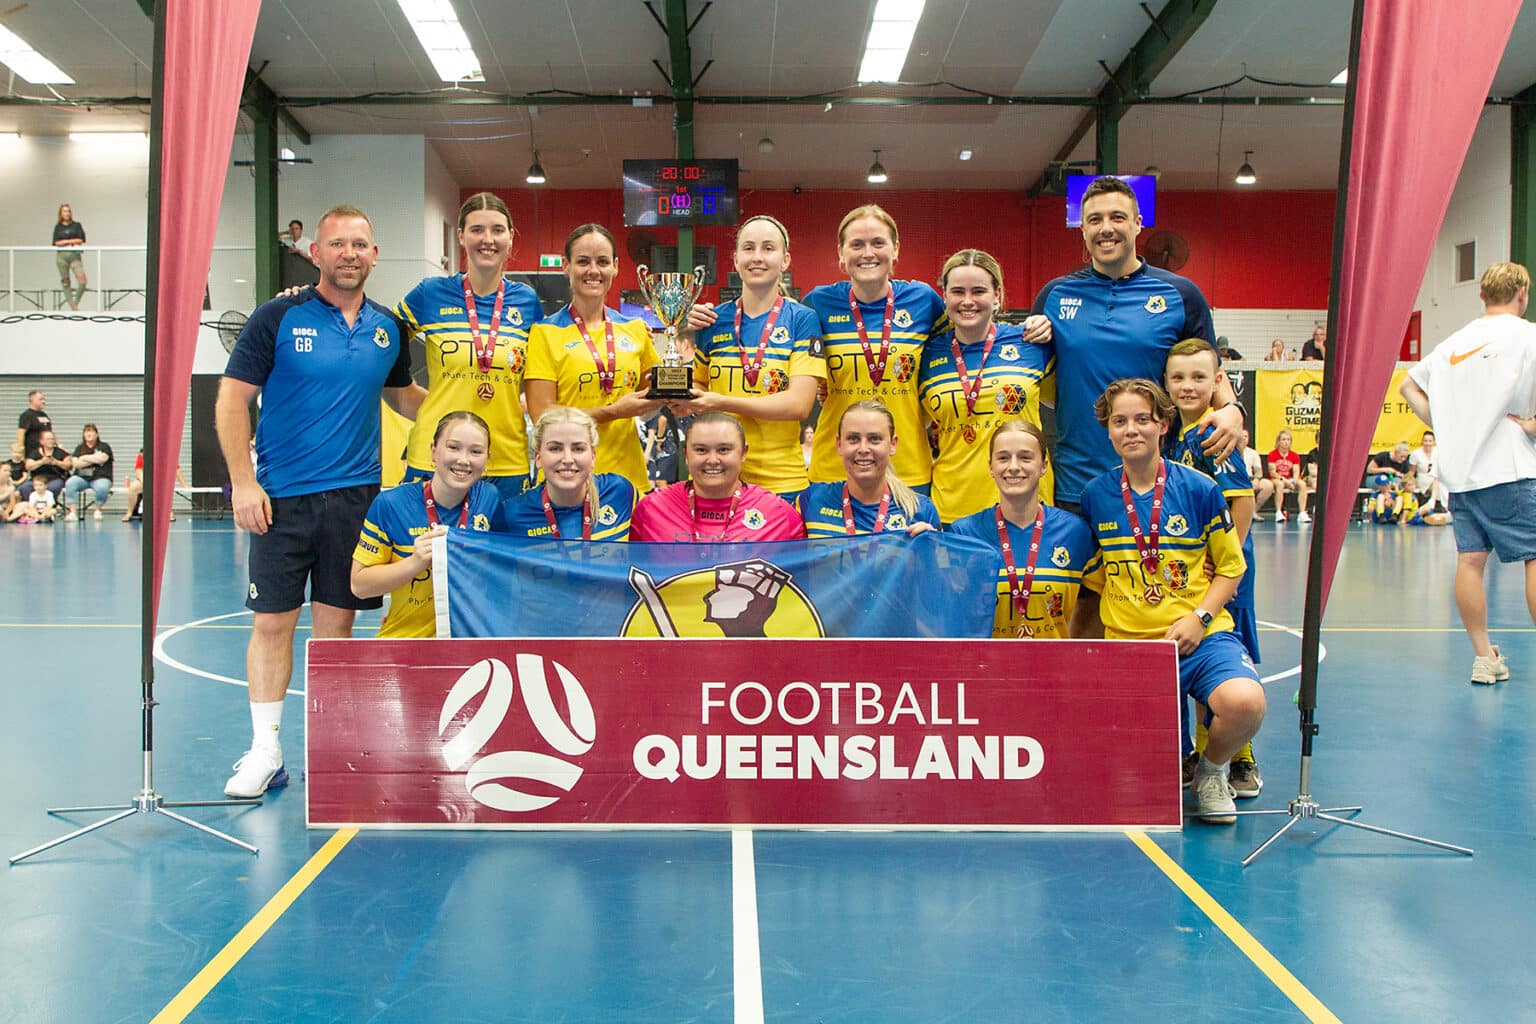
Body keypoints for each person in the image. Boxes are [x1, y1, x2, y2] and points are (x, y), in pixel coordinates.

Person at [215, 203, 425, 799]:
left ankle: (328, 748)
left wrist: (483, 411)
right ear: (317, 253)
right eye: (337, 244)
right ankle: (265, 750)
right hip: (280, 499)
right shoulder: (276, 317)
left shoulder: (388, 327)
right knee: (274, 623)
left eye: (360, 243)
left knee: (336, 627)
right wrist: (243, 481)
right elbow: (232, 403)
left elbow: (405, 398)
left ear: (375, 253)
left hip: (356, 499)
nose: (349, 253)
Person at [1076, 379, 1265, 824]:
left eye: (1142, 419)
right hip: (1131, 645)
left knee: (1245, 703)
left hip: (1198, 637)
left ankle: (1212, 772)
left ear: (1163, 424)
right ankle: (1173, 758)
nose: (1132, 430)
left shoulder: (1200, 489)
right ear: (1108, 431)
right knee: (1129, 775)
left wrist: (1200, 617)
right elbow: (1091, 579)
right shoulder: (1095, 497)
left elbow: (1231, 568)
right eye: (1120, 421)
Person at [1030, 176, 1242, 512]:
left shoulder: (1182, 295)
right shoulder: (1054, 297)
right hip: (1075, 486)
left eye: (1117, 217)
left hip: (1156, 485)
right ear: (1082, 229)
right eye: (1095, 220)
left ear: (1138, 224)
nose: (1106, 228)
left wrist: (1233, 410)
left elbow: (1209, 371)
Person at [1400, 261, 1536, 685]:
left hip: (1462, 474)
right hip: (1510, 468)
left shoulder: (1455, 343)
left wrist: (1443, 424)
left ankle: (1483, 658)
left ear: (1481, 296)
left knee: (1470, 561)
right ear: (1523, 294)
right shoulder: (1527, 335)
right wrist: (1530, 426)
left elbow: (1409, 385)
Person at [394, 193, 545, 502]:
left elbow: (541, 377)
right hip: (436, 459)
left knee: (501, 551)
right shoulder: (431, 293)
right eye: (476, 229)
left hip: (506, 459)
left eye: (497, 230)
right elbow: (379, 342)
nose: (487, 239)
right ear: (461, 235)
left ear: (511, 237)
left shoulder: (527, 302)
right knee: (430, 551)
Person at [1165, 339, 1263, 797]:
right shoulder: (1176, 434)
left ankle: (1234, 758)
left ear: (1218, 382)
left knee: (1226, 649)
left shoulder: (1212, 432)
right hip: (1199, 567)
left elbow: (1240, 502)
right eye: (1178, 377)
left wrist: (1228, 558)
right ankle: (1198, 755)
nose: (1188, 386)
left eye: (1199, 377)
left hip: (1226, 569)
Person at [681, 215, 825, 501]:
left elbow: (798, 404)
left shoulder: (803, 320)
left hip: (781, 481)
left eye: (768, 248)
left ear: (785, 260)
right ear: (735, 260)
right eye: (748, 248)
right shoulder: (713, 319)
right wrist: (678, 400)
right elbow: (698, 389)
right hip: (714, 476)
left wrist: (721, 402)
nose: (757, 257)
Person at [919, 249, 1055, 523]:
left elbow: (1063, 406)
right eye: (957, 291)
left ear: (997, 296)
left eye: (978, 291)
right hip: (953, 508)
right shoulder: (927, 355)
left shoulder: (1032, 343)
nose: (967, 301)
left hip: (1026, 505)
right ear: (944, 296)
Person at [525, 224, 662, 491]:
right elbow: (542, 414)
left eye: (602, 262)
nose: (593, 271)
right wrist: (613, 412)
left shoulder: (635, 330)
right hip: (565, 481)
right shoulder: (545, 333)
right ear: (566, 266)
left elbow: (655, 394)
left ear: (616, 267)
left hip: (627, 480)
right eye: (583, 261)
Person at [351, 411, 498, 638]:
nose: (463, 459)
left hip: (470, 645)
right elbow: (359, 586)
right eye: (453, 447)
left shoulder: (489, 499)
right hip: (406, 642)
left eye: (476, 451)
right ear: (433, 451)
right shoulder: (392, 504)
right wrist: (414, 563)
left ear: (487, 458)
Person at [947, 420, 1097, 639]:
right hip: (985, 669)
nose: (1014, 466)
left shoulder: (1075, 532)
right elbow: (943, 609)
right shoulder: (963, 534)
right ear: (990, 467)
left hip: (1053, 668)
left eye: (1026, 457)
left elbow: (1100, 598)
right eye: (1003, 458)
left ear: (1044, 465)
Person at [631, 412, 805, 542]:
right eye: (701, 450)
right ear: (686, 454)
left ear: (743, 453)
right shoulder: (650, 510)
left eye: (724, 450)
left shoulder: (778, 514)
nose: (712, 460)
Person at [798, 399, 940, 537]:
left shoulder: (921, 511)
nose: (863, 449)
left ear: (893, 444)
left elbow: (939, 560)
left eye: (874, 439)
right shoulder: (812, 499)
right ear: (839, 444)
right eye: (853, 439)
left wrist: (932, 545)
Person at [494, 406, 636, 540]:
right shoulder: (512, 515)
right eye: (555, 448)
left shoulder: (620, 492)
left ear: (593, 457)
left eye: (578, 448)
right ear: (538, 458)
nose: (567, 459)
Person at [121, 449, 189, 522]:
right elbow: (139, 470)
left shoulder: (168, 454)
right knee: (133, 487)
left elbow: (176, 469)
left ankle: (168, 512)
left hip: (161, 480)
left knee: (164, 487)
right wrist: (146, 482)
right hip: (145, 479)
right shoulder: (142, 454)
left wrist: (184, 484)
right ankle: (129, 512)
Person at [63, 423, 114, 520]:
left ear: (97, 434)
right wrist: (94, 458)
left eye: (91, 431)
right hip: (82, 477)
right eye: (86, 432)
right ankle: (73, 512)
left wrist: (83, 458)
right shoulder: (79, 448)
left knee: (102, 487)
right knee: (70, 483)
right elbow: (76, 464)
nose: (88, 434)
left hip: (100, 477)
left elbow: (102, 459)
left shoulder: (104, 446)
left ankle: (98, 510)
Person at [1266, 428, 1312, 522]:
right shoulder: (1272, 454)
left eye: (1288, 440)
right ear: (1278, 441)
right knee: (1280, 484)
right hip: (1277, 479)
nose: (1286, 442)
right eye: (1283, 439)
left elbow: (1296, 472)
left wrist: (1294, 482)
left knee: (1302, 484)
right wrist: (1284, 480)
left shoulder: (1294, 455)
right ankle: (1278, 512)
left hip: (1290, 479)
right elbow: (1272, 472)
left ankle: (1302, 513)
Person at [53, 203, 87, 310]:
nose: (67, 213)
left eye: (68, 211)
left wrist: (65, 241)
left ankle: (76, 302)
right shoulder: (58, 227)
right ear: (61, 213)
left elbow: (80, 240)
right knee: (66, 282)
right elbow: (56, 242)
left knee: (82, 280)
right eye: (64, 211)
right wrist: (70, 241)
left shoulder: (76, 225)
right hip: (62, 257)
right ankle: (72, 306)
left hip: (74, 256)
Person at [20, 428, 70, 502]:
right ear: (42, 441)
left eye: (52, 439)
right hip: (37, 479)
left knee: (52, 488)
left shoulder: (61, 452)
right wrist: (41, 462)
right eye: (48, 439)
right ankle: (33, 506)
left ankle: (49, 507)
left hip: (55, 479)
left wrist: (56, 462)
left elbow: (69, 465)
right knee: (25, 487)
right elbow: (28, 466)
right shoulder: (35, 452)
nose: (51, 441)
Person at [641, 407, 683, 490]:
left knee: (661, 481)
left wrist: (659, 440)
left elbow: (662, 420)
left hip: (666, 449)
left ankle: (667, 501)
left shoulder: (654, 412)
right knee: (656, 480)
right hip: (660, 451)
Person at [1409, 429, 1447, 513]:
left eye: (1430, 441)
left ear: (1434, 442)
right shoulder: (1416, 454)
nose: (1428, 443)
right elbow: (1412, 472)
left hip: (1436, 480)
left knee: (1440, 484)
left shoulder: (1439, 452)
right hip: (1422, 480)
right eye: (1425, 441)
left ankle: (1442, 506)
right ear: (1422, 441)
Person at [1241, 429, 1276, 520]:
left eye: (1246, 436)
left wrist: (1256, 480)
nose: (1244, 438)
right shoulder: (1230, 450)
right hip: (1237, 479)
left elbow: (1258, 470)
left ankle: (1253, 511)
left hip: (1251, 478)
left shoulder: (1253, 453)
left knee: (1268, 485)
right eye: (1242, 436)